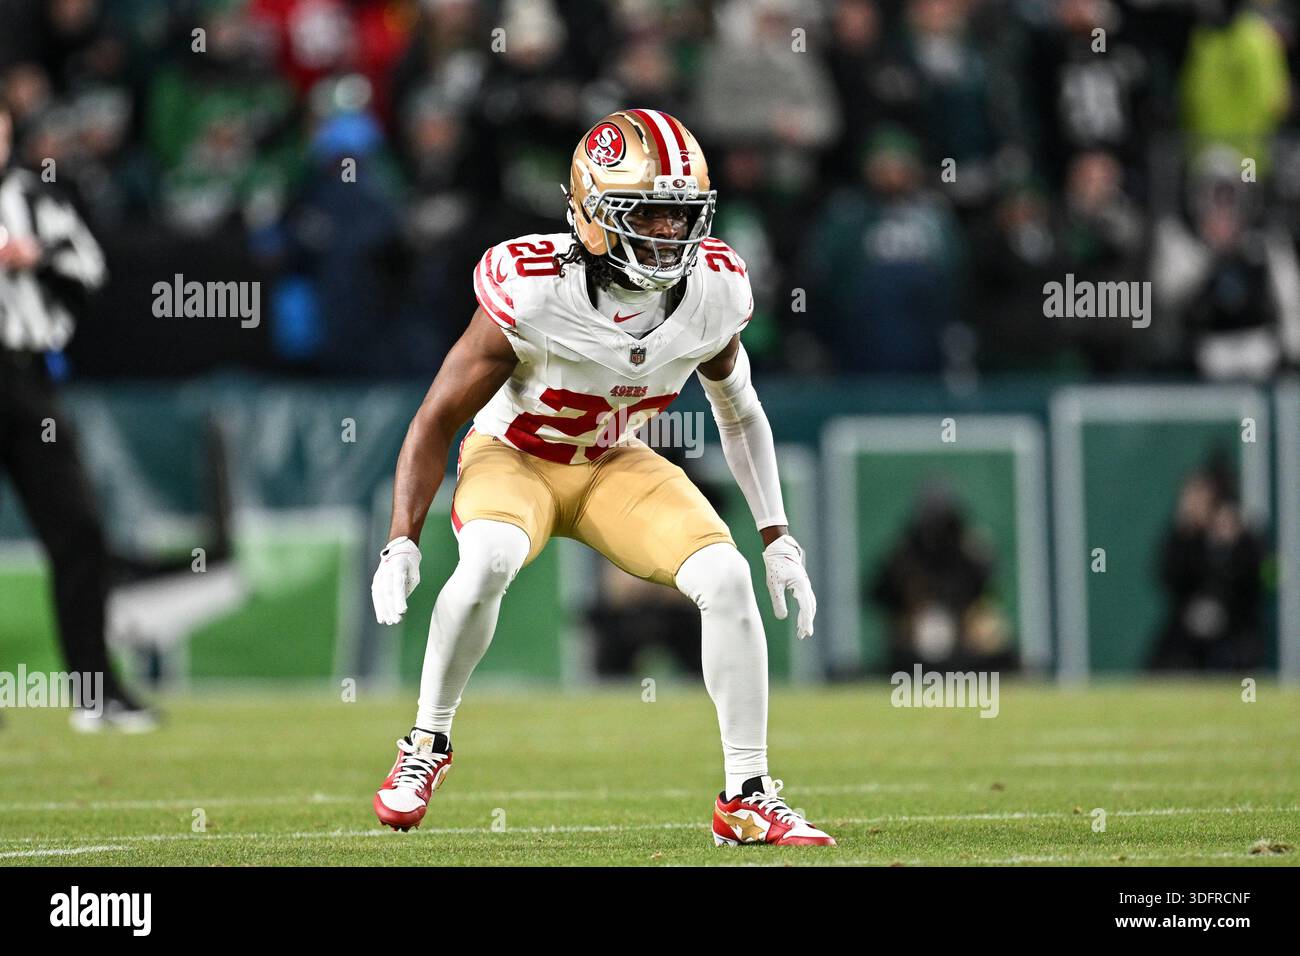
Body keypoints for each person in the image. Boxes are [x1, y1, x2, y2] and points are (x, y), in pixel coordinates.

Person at [368, 110, 833, 847]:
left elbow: (739, 411)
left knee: (727, 575)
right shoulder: (533, 289)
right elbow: (434, 419)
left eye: (682, 217)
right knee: (487, 559)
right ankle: (426, 745)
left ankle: (747, 795)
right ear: (591, 213)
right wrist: (401, 541)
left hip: (613, 462)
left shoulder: (714, 289)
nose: (668, 235)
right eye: (647, 212)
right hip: (514, 457)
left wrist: (778, 537)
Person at [0, 103, 154, 730]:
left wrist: (34, 254)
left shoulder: (30, 194)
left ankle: (95, 691)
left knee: (78, 530)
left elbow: (91, 265)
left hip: (23, 377)